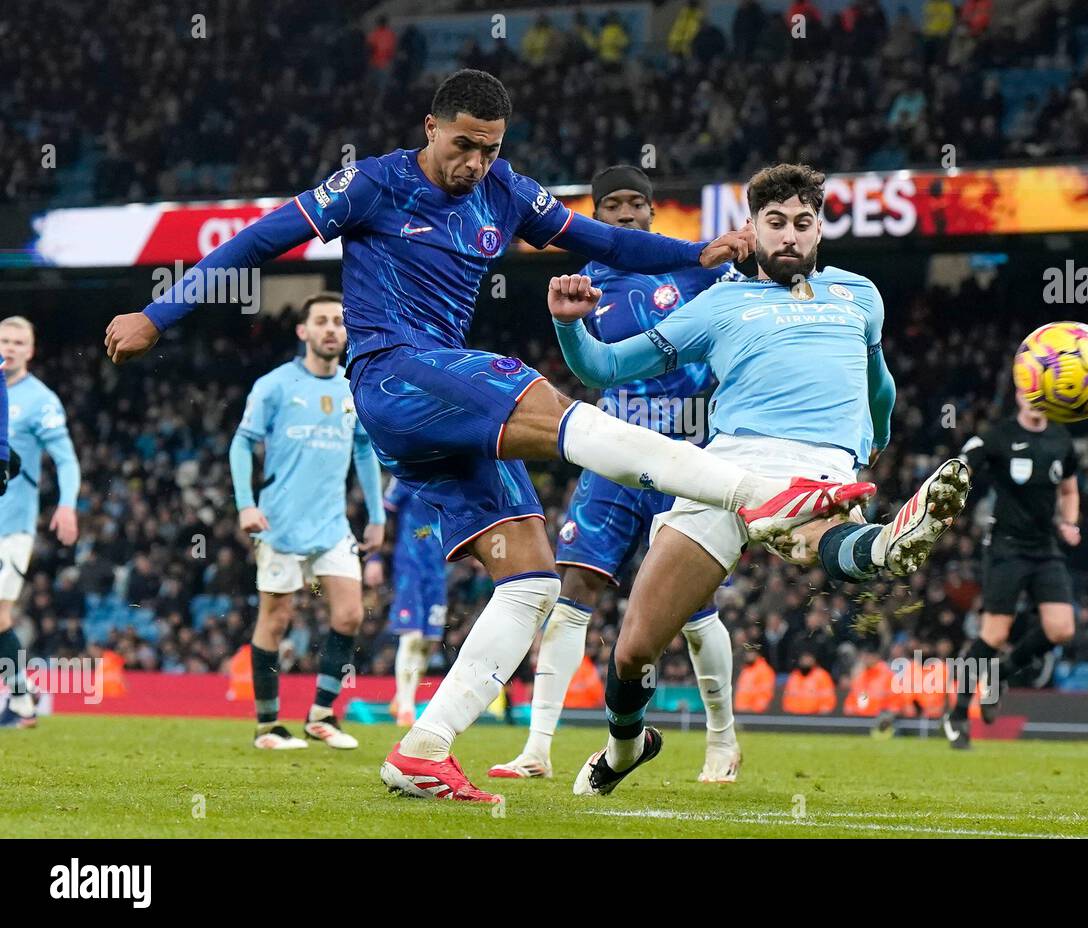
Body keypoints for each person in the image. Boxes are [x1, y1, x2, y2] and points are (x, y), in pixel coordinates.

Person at [105, 70, 872, 802]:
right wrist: (157, 315)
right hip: (397, 373)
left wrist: (691, 252)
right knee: (572, 418)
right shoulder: (373, 182)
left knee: (533, 578)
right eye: (462, 145)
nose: (475, 163)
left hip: (441, 418)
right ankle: (764, 497)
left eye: (491, 148)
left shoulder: (505, 191)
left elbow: (601, 242)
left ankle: (424, 751)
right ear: (430, 128)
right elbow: (258, 240)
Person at [552, 163, 969, 796]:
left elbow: (878, 384)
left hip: (819, 465)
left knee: (808, 534)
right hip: (725, 469)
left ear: (820, 229)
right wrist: (568, 323)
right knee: (636, 646)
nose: (790, 237)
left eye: (804, 223)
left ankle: (885, 544)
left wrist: (875, 441)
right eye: (775, 223)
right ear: (753, 228)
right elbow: (605, 369)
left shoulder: (859, 295)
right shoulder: (718, 303)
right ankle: (624, 747)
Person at [488, 165, 745, 784]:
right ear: (596, 217)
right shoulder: (584, 281)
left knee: (692, 608)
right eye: (613, 207)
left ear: (654, 214)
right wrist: (568, 321)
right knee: (572, 589)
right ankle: (538, 748)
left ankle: (722, 740)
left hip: (685, 457)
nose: (627, 215)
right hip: (614, 454)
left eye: (637, 204)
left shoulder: (696, 269)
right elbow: (591, 371)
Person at [230, 294, 386, 750]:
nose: (331, 329)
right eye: (321, 321)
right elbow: (242, 444)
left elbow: (363, 450)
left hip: (332, 524)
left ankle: (321, 715)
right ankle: (266, 727)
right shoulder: (274, 386)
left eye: (338, 321)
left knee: (351, 613)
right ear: (303, 332)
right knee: (276, 619)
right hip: (279, 523)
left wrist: (376, 516)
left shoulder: (352, 388)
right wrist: (245, 503)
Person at [942, 387, 1081, 749]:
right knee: (995, 634)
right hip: (1005, 547)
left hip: (1044, 546)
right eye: (1027, 389)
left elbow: (1069, 490)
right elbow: (968, 457)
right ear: (1018, 395)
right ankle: (957, 714)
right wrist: (962, 465)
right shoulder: (1000, 436)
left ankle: (1001, 673)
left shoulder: (1061, 439)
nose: (1033, 396)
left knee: (1062, 629)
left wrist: (1070, 524)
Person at [0, 317, 79, 730]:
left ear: (30, 351)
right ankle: (22, 698)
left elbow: (65, 458)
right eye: (4, 340)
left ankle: (20, 697)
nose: (9, 347)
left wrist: (66, 504)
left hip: (11, 527)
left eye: (18, 342)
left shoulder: (41, 400)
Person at [370, 477, 447, 727]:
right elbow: (381, 514)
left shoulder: (451, 479)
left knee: (427, 642)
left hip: (437, 571)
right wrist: (374, 558)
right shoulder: (406, 474)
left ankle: (401, 698)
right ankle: (406, 706)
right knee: (411, 637)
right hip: (409, 569)